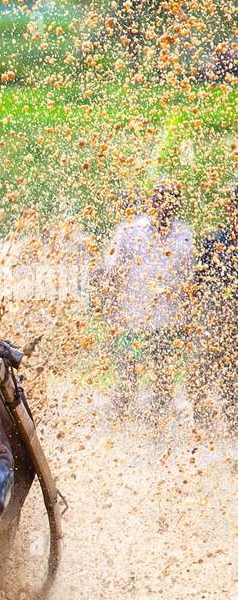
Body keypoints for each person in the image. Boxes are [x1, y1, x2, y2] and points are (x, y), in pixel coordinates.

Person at [98, 179, 194, 417]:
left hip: (169, 319)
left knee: (163, 378)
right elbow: (112, 271)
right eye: (159, 200)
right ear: (151, 203)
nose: (163, 207)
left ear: (176, 206)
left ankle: (157, 429)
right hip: (133, 317)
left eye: (169, 202)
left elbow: (190, 279)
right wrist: (112, 311)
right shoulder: (130, 231)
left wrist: (188, 314)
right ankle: (118, 425)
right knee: (127, 376)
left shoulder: (184, 235)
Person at [186, 182, 238, 433]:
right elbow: (196, 282)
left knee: (232, 376)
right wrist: (191, 317)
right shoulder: (214, 240)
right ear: (228, 210)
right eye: (233, 206)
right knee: (199, 370)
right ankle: (203, 425)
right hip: (215, 313)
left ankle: (232, 426)